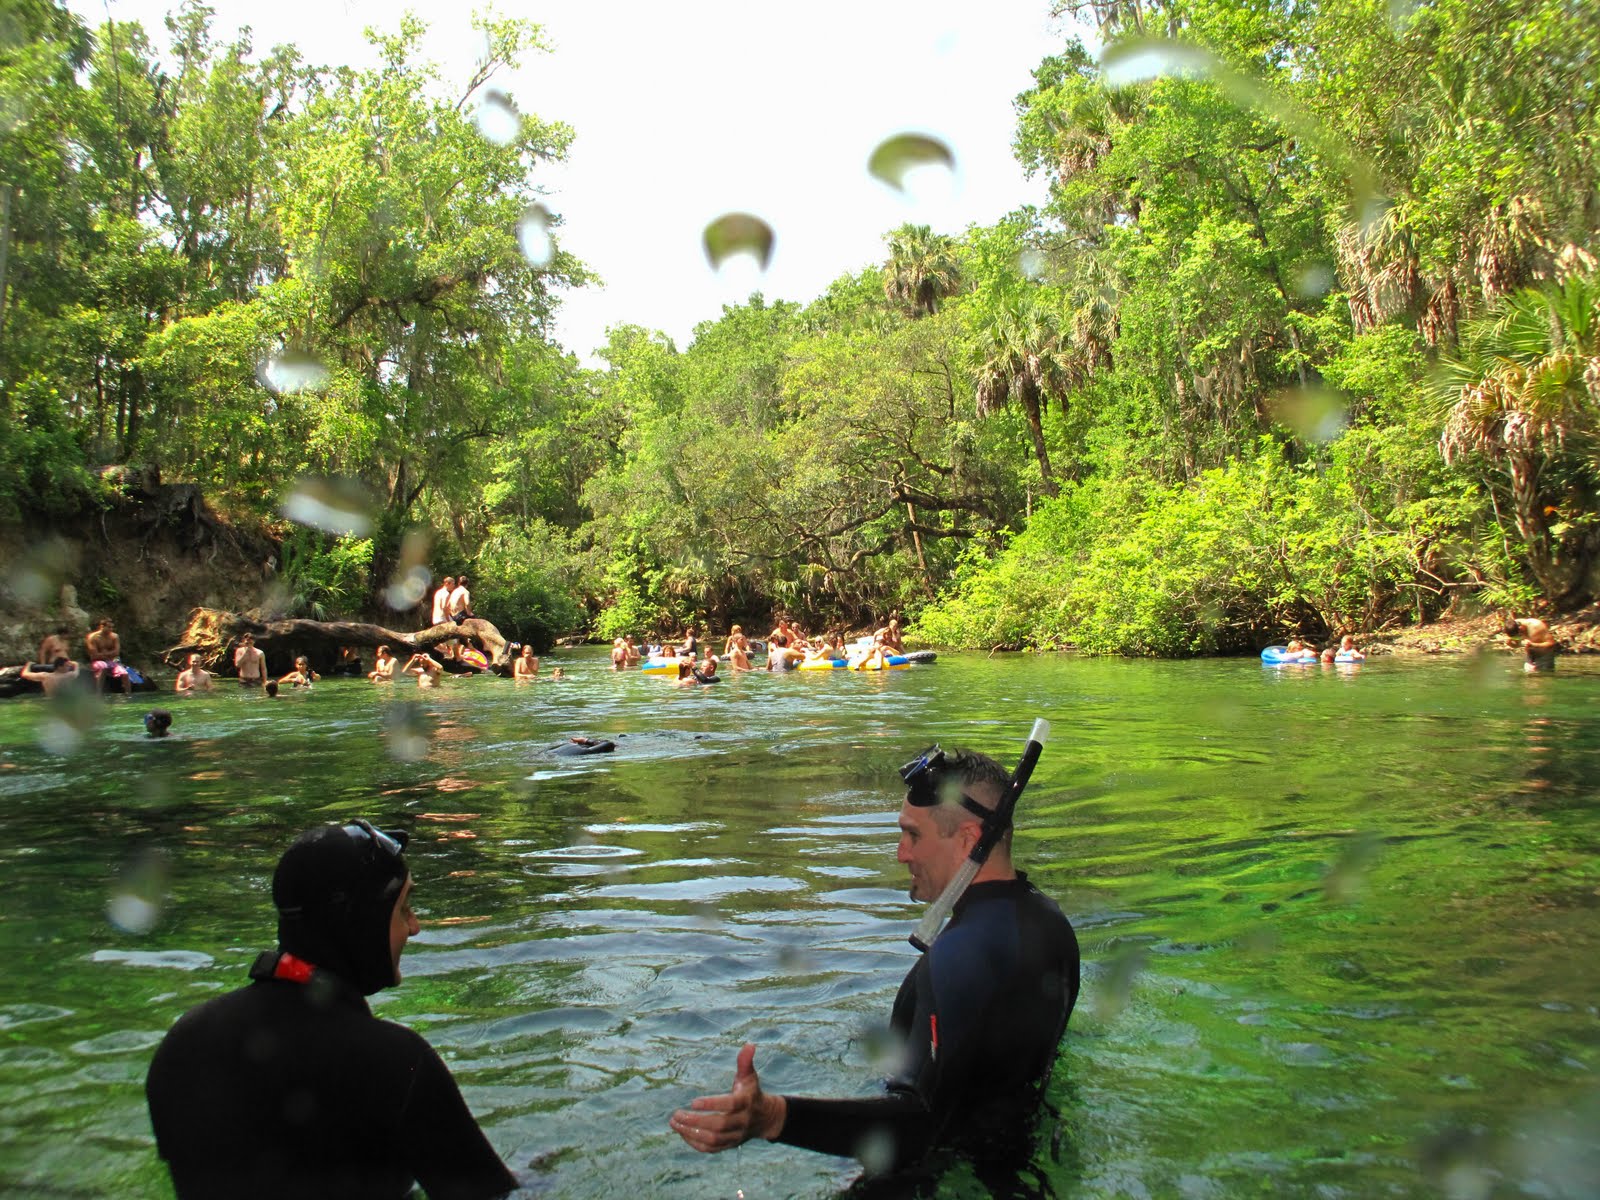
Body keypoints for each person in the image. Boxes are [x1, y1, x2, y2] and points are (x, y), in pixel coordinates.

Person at [670, 747, 1079, 1178]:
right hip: (1020, 1165)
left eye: (913, 835)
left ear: (969, 840)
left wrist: (775, 1117)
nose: (901, 854)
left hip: (936, 1178)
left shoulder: (961, 954)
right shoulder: (1050, 922)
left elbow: (921, 1125)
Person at [145, 821, 517, 1200]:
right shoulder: (395, 1063)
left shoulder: (184, 1044)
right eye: (403, 908)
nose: (415, 926)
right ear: (364, 922)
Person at [86, 617, 132, 694]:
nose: (111, 629)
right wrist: (109, 654)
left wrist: (104, 655)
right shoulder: (93, 637)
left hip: (112, 662)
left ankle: (128, 694)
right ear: (102, 627)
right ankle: (98, 693)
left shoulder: (114, 636)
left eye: (112, 627)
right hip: (97, 662)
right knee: (104, 667)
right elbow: (94, 655)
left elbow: (117, 652)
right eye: (109, 627)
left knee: (125, 673)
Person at [431, 577, 456, 660]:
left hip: (435, 618)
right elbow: (444, 607)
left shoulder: (438, 593)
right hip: (442, 619)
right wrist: (449, 621)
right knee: (454, 639)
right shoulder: (446, 594)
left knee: (441, 640)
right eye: (453, 584)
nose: (454, 586)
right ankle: (453, 658)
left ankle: (443, 655)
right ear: (447, 583)